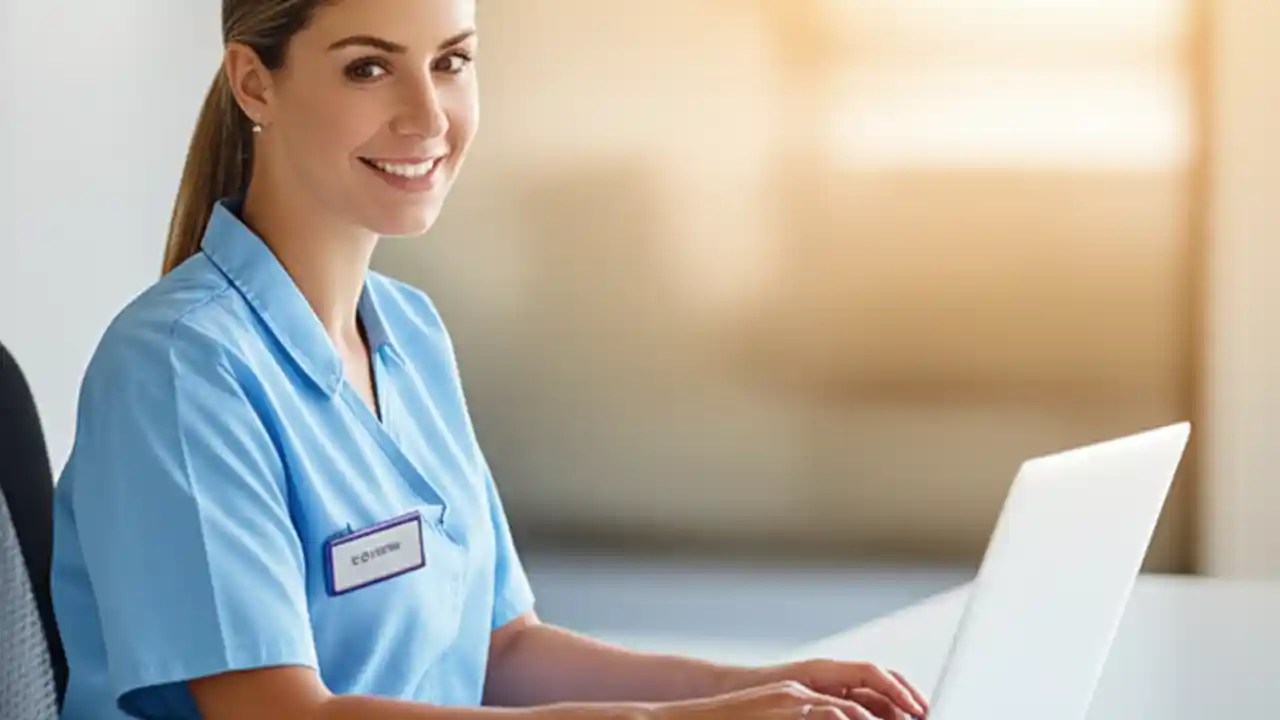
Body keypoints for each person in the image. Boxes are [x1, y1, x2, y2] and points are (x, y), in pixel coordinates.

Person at [49, 2, 931, 719]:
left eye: (451, 62)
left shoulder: (410, 333)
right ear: (255, 83)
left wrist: (756, 687)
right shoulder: (179, 368)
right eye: (369, 66)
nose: (427, 116)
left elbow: (499, 653)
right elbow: (281, 717)